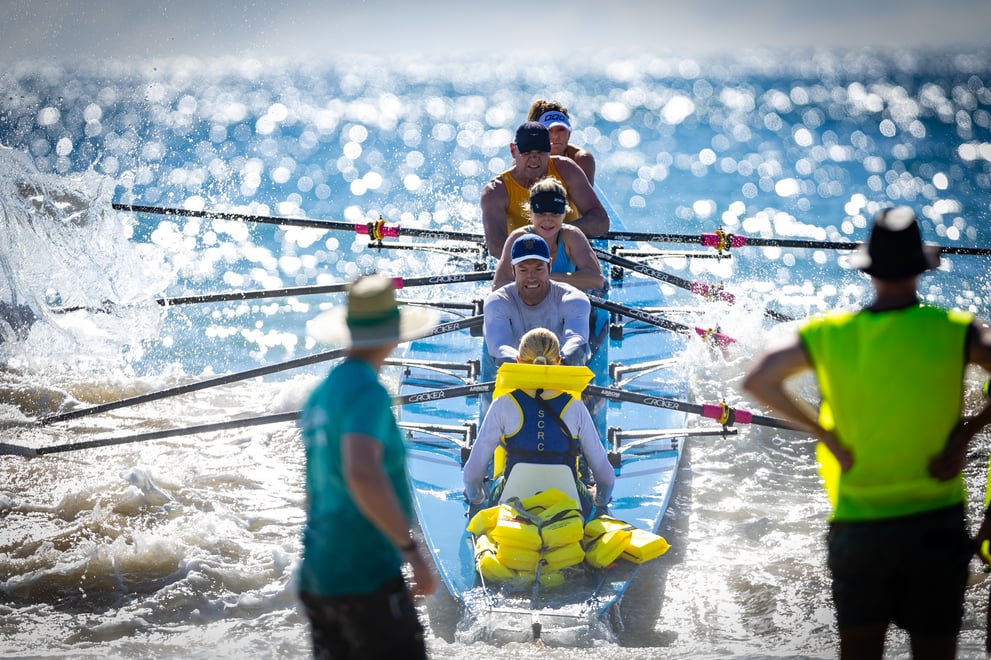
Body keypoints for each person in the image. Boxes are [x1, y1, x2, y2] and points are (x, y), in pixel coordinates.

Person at [742, 206, 991, 660]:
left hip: (860, 526)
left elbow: (758, 380)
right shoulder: (956, 330)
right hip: (936, 522)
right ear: (921, 269)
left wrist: (825, 433)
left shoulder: (831, 332)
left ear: (870, 270)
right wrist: (967, 434)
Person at [297, 273, 439, 659]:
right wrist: (410, 550)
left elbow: (312, 491)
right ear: (394, 334)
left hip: (319, 572)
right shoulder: (368, 392)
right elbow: (362, 471)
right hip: (363, 573)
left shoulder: (322, 393)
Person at [463, 327, 614, 511]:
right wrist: (599, 500)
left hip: (513, 502)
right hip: (569, 504)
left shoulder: (503, 404)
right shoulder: (575, 407)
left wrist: (477, 498)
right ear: (559, 362)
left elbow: (471, 477)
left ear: (518, 361)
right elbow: (606, 479)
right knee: (585, 485)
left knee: (497, 482)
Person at [480, 121, 609, 258]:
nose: (534, 159)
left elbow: (601, 221)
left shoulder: (566, 169)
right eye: (527, 152)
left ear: (549, 150)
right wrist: (539, 256)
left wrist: (556, 232)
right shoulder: (495, 191)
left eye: (540, 152)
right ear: (513, 151)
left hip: (568, 252)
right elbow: (496, 246)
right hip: (524, 262)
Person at [484, 233, 591, 367]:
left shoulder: (573, 299)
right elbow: (499, 347)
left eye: (538, 269)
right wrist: (527, 365)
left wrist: (560, 361)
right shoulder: (498, 301)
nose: (531, 277)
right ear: (513, 269)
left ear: (549, 265)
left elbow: (577, 339)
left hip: (561, 371)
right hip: (515, 375)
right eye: (523, 270)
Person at [492, 176, 605, 292]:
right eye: (541, 214)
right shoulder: (518, 238)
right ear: (530, 212)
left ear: (564, 213)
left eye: (555, 214)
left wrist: (543, 277)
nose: (548, 220)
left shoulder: (571, 235)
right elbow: (498, 285)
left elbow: (597, 280)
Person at [528, 99, 596, 185]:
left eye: (561, 129)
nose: (555, 136)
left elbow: (584, 198)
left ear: (569, 132)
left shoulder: (582, 159)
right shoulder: (525, 160)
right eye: (548, 130)